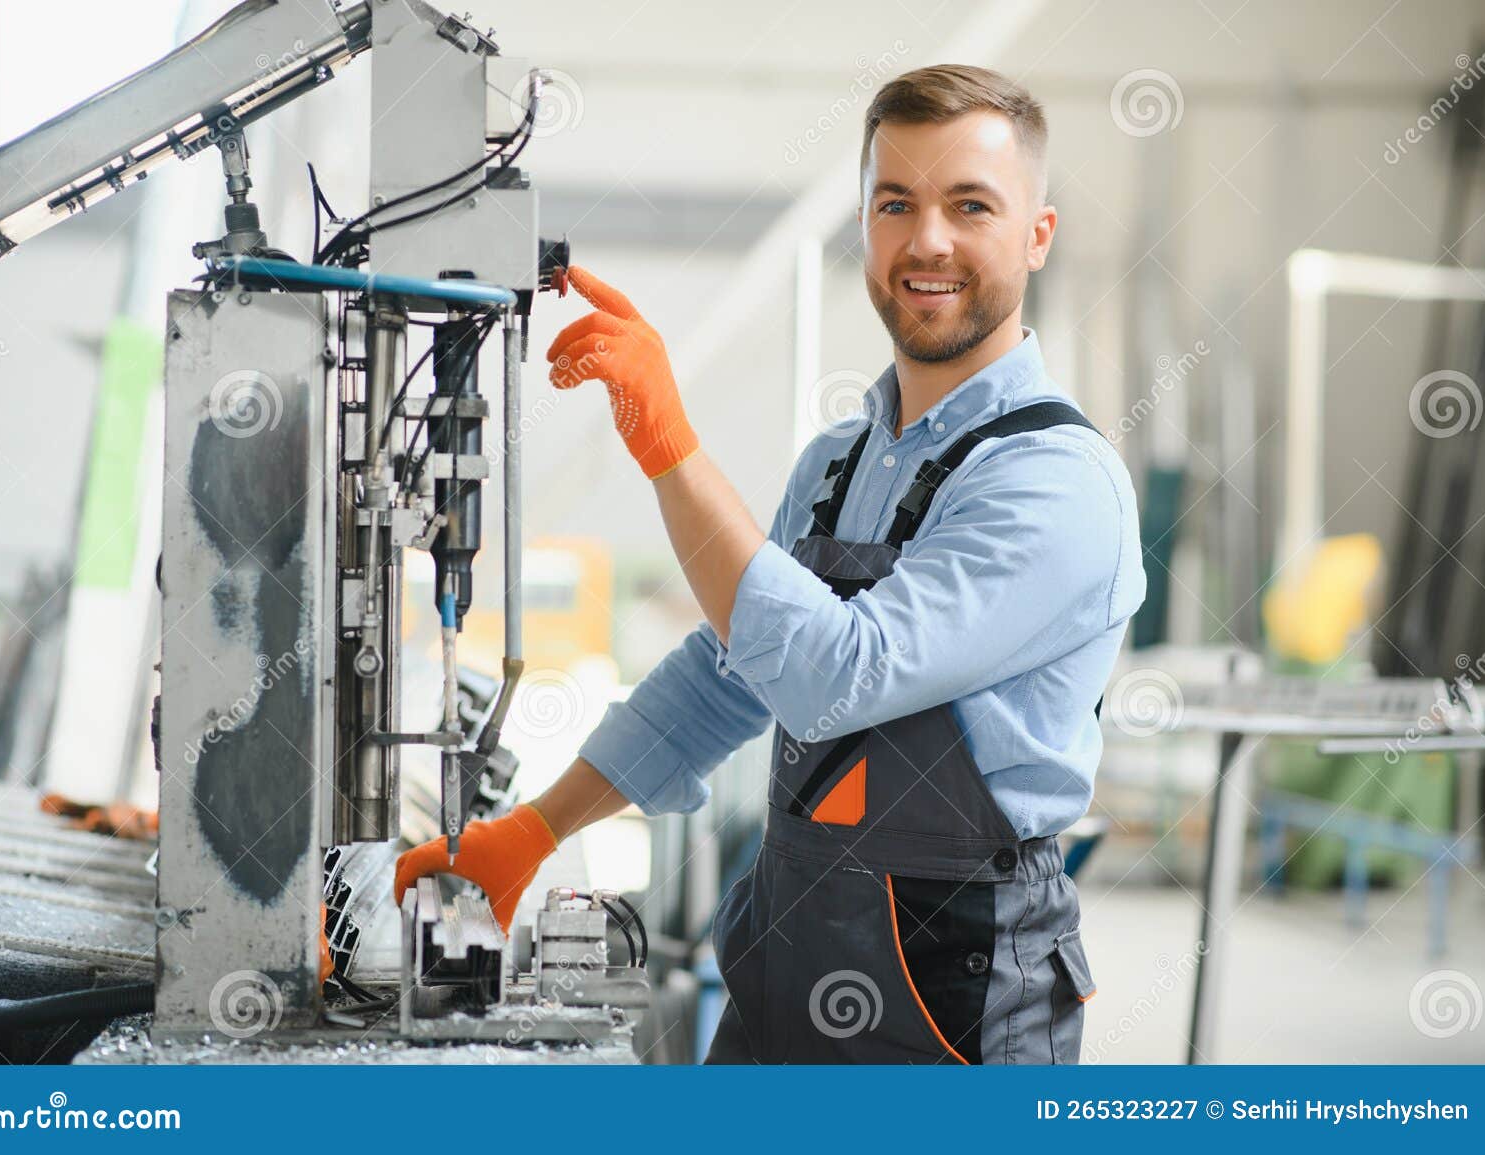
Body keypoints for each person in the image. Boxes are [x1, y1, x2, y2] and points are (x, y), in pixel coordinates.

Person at [396, 63, 1145, 1064]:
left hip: (947, 1000)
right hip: (783, 957)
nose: (927, 240)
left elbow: (840, 677)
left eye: (971, 206)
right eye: (896, 203)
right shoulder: (837, 463)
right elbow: (726, 670)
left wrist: (670, 451)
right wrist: (534, 830)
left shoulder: (1057, 484)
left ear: (1035, 235)